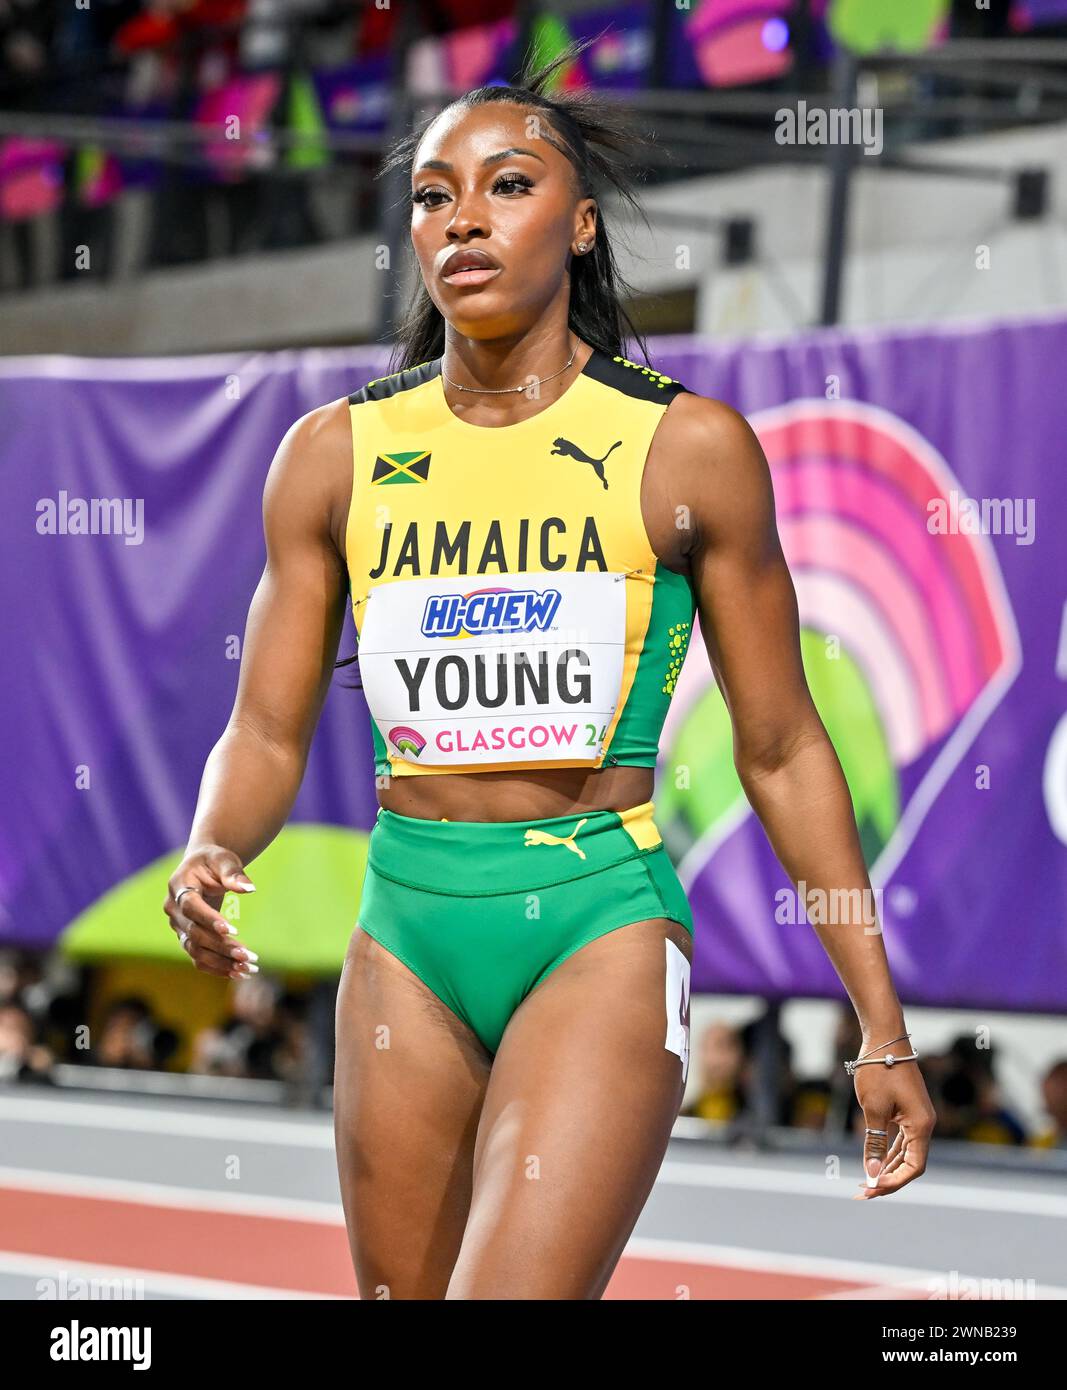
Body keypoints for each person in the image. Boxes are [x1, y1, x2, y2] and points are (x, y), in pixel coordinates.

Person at [163, 37, 936, 1300]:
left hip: (596, 920)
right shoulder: (333, 456)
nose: (462, 217)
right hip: (404, 927)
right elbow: (263, 729)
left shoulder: (684, 450)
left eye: (507, 185)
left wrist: (879, 1026)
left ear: (580, 225)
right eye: (430, 194)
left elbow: (783, 745)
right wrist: (212, 847)